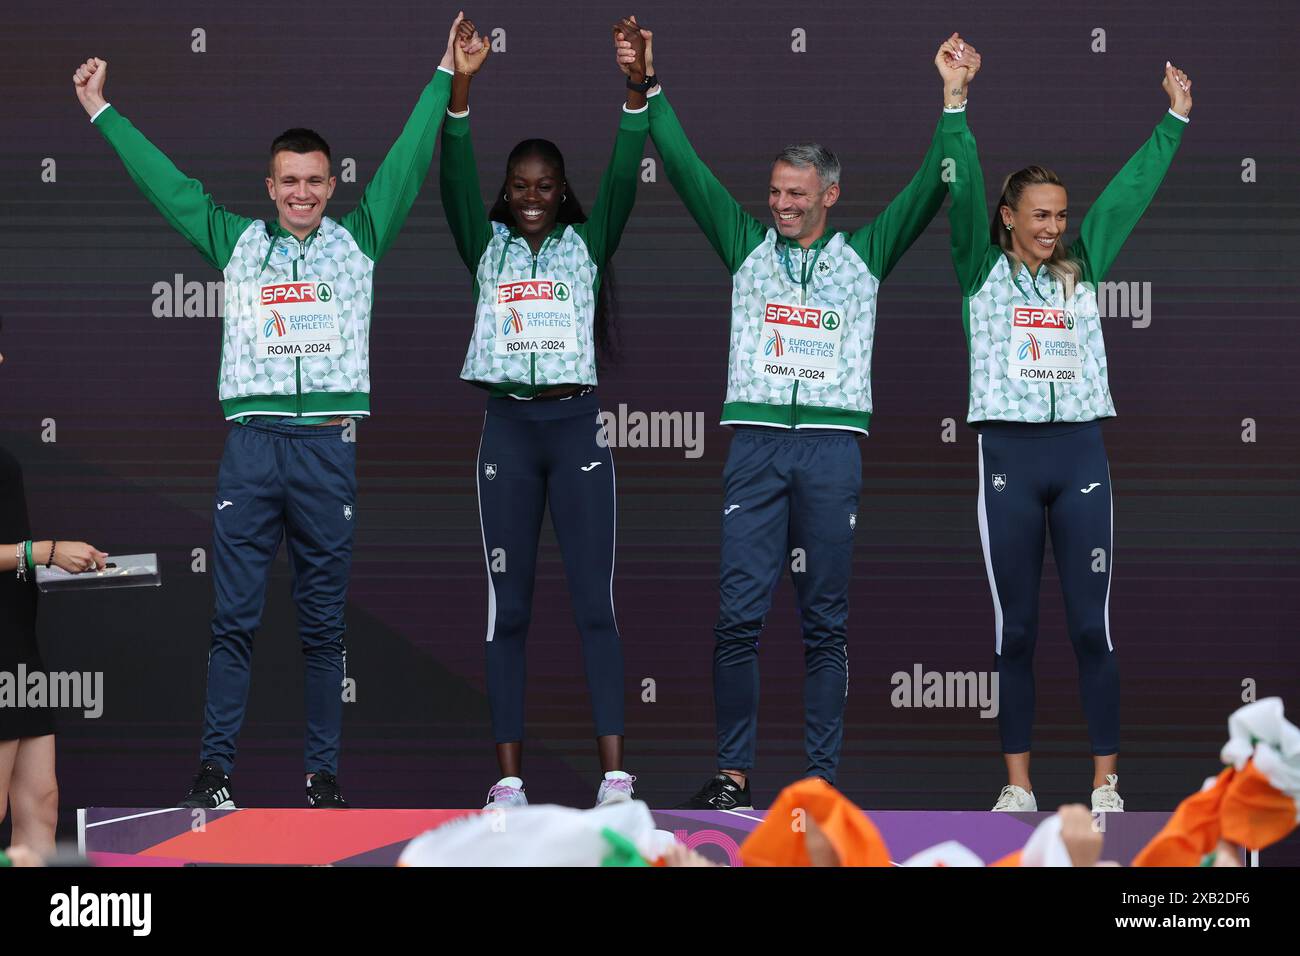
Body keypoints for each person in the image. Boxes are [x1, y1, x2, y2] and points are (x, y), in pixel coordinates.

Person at [71, 12, 469, 809]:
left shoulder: (359, 242)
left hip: (325, 451)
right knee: (233, 623)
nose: (300, 193)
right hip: (251, 450)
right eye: (287, 180)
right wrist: (100, 110)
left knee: (325, 631)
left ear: (332, 185)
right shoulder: (236, 242)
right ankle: (214, 775)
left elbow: (404, 162)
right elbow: (166, 186)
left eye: (314, 180)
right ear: (270, 187)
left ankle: (323, 781)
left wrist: (443, 73)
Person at [614, 26, 973, 809]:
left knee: (826, 625)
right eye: (775, 193)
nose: (780, 205)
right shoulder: (744, 246)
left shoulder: (865, 255)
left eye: (796, 196)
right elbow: (687, 169)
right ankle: (734, 775)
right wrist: (649, 84)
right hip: (756, 446)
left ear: (830, 197)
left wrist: (953, 102)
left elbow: (933, 187)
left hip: (833, 449)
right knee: (738, 617)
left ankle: (819, 782)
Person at [939, 43, 1192, 812]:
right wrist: (956, 106)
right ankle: (1017, 789)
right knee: (1015, 631)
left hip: (1080, 451)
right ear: (1009, 218)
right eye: (1038, 216)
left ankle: (1105, 785)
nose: (1053, 228)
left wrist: (1173, 122)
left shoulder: (1080, 267)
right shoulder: (977, 272)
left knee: (1091, 627)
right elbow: (962, 190)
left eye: (1059, 216)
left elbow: (1126, 195)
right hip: (1007, 455)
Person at [441, 19, 650, 808]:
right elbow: (452, 170)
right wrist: (461, 86)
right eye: (519, 187)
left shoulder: (587, 246)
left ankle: (616, 779)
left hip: (575, 432)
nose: (531, 199)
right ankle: (508, 782)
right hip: (508, 432)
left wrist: (635, 87)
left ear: (563, 192)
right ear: (506, 191)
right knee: (512, 606)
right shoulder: (483, 244)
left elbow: (627, 171)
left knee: (595, 603)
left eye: (546, 187)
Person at [0, 344, 108, 858]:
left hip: (17, 639)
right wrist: (41, 551)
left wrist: (55, 561)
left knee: (42, 802)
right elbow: (22, 551)